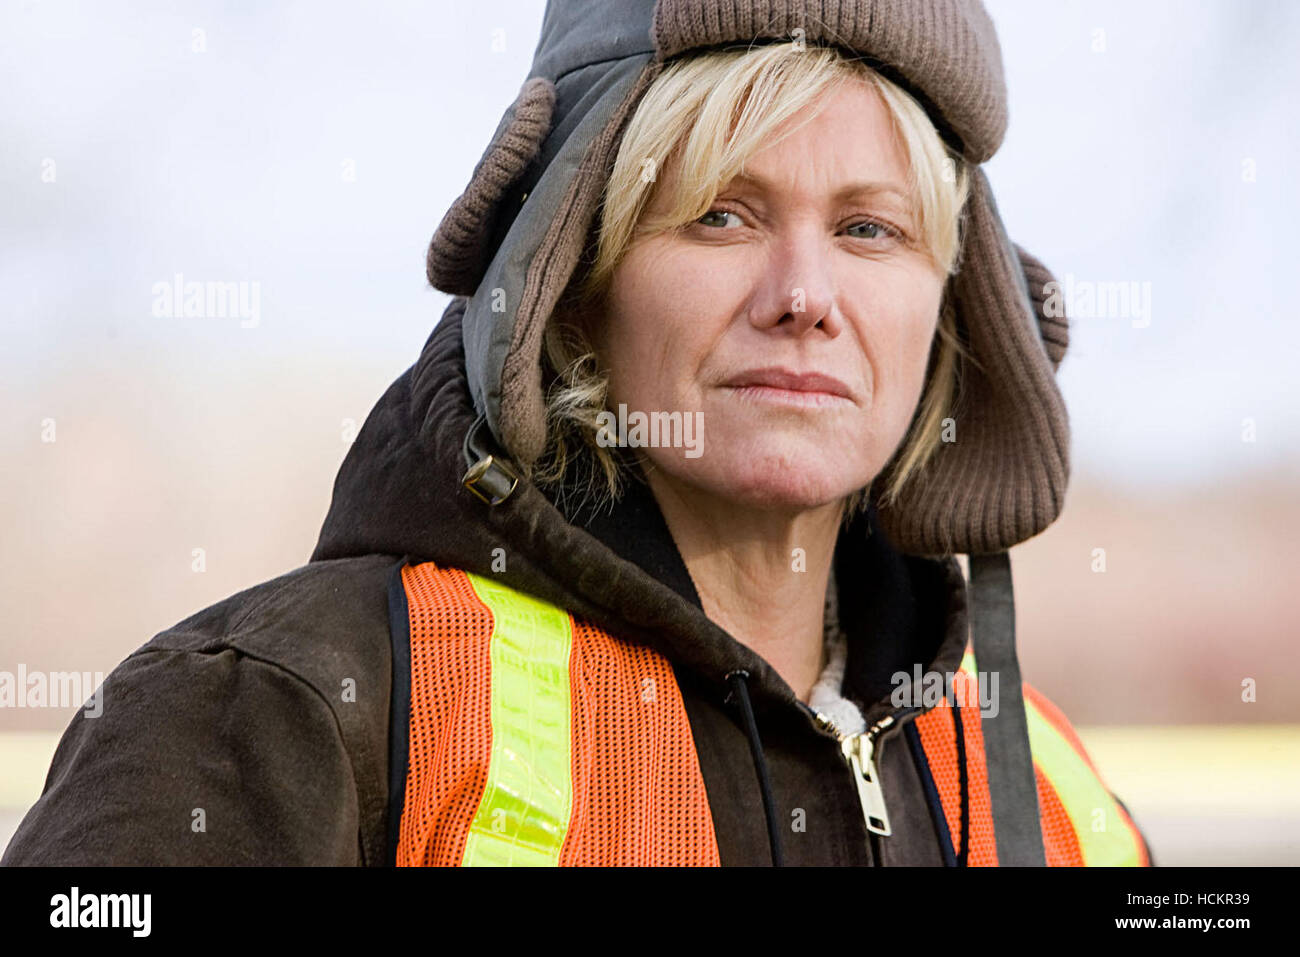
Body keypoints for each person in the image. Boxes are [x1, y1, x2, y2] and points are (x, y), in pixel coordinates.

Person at [3, 0, 1152, 867]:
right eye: (719, 215)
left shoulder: (1059, 800)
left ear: (949, 309)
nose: (804, 294)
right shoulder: (281, 712)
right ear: (570, 278)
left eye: (868, 228)